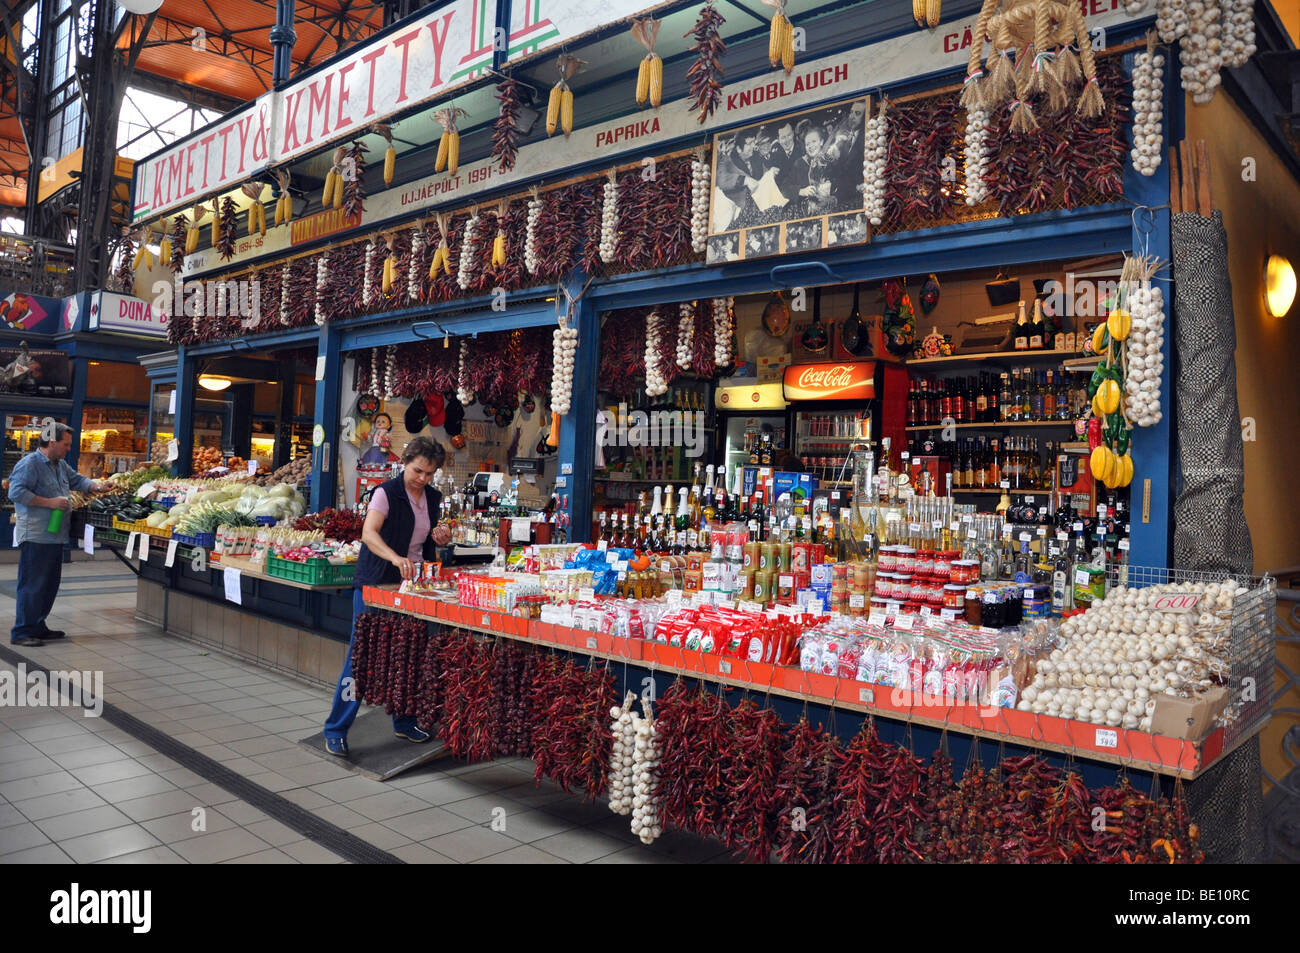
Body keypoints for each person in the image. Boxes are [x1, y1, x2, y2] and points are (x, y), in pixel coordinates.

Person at [323, 436, 452, 756]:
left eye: (429, 473)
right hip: (376, 584)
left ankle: (405, 721)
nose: (422, 478)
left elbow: (429, 541)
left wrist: (443, 539)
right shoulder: (386, 493)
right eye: (418, 471)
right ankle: (336, 728)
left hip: (412, 587)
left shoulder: (433, 497)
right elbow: (369, 533)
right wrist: (395, 559)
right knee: (360, 658)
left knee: (408, 655)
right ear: (405, 463)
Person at [8, 423, 108, 646]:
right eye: (66, 444)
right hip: (36, 534)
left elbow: (77, 481)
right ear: (52, 442)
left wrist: (97, 486)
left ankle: (38, 626)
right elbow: (15, 492)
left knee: (49, 584)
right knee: (33, 584)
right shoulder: (29, 464)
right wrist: (49, 502)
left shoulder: (60, 465)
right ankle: (22, 632)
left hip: (55, 534)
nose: (68, 448)